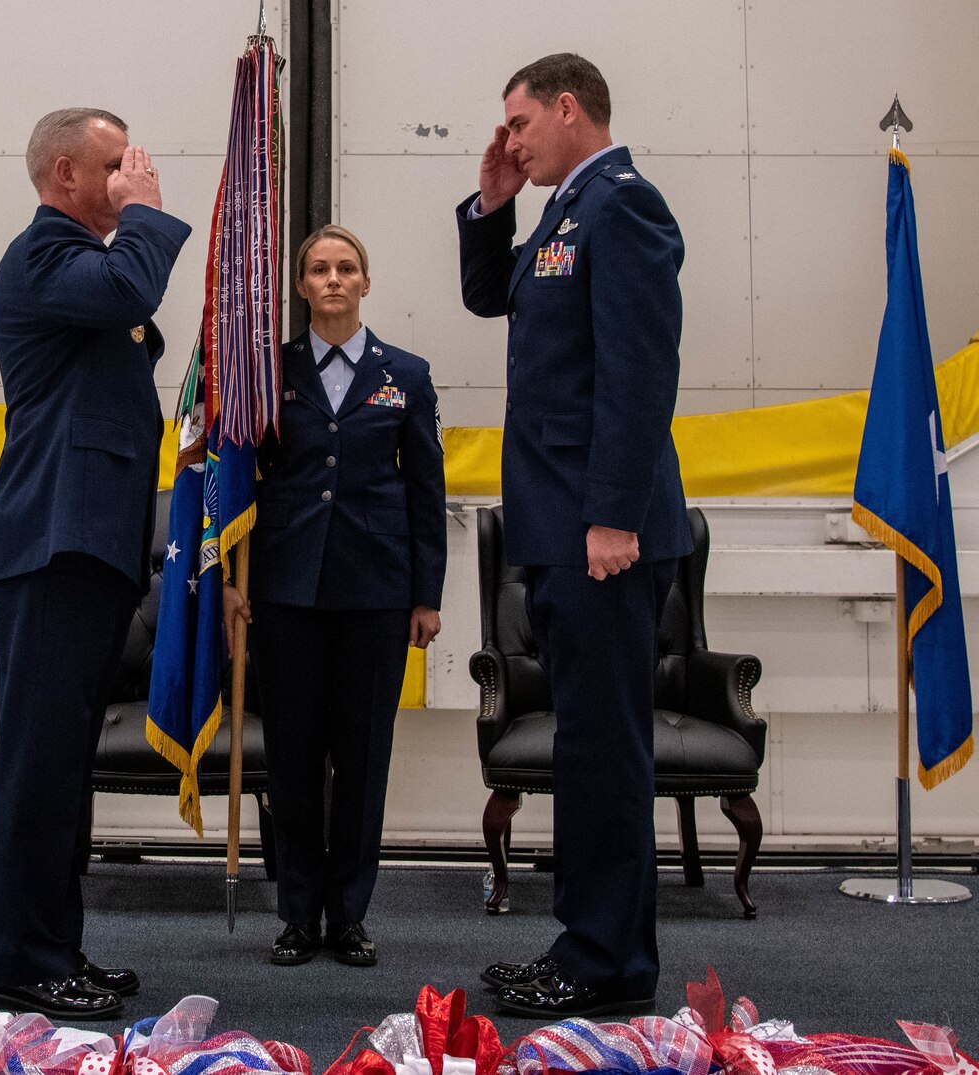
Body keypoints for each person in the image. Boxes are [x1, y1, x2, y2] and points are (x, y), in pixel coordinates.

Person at [455, 53, 691, 1018]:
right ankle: (595, 948)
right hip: (560, 522)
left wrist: (611, 514)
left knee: (604, 749)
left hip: (599, 530)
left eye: (518, 124)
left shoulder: (623, 205)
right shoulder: (566, 209)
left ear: (566, 107)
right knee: (589, 749)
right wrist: (491, 202)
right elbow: (490, 297)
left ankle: (601, 960)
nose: (511, 139)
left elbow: (639, 373)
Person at [0, 107, 191, 1019]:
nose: (132, 175)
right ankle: (21, 958)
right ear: (66, 174)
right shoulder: (45, 258)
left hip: (88, 542)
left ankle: (54, 945)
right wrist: (143, 214)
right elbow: (128, 295)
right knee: (39, 763)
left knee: (63, 764)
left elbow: (129, 322)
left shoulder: (83, 264)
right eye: (114, 166)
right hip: (54, 541)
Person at [224, 225, 447, 968]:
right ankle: (296, 914)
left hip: (376, 594)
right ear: (299, 285)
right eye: (318, 268)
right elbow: (242, 482)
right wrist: (234, 580)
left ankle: (348, 915)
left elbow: (425, 489)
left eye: (346, 267)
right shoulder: (270, 373)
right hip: (286, 592)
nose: (333, 279)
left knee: (361, 760)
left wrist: (426, 595)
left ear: (366, 281)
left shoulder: (404, 375)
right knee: (291, 760)